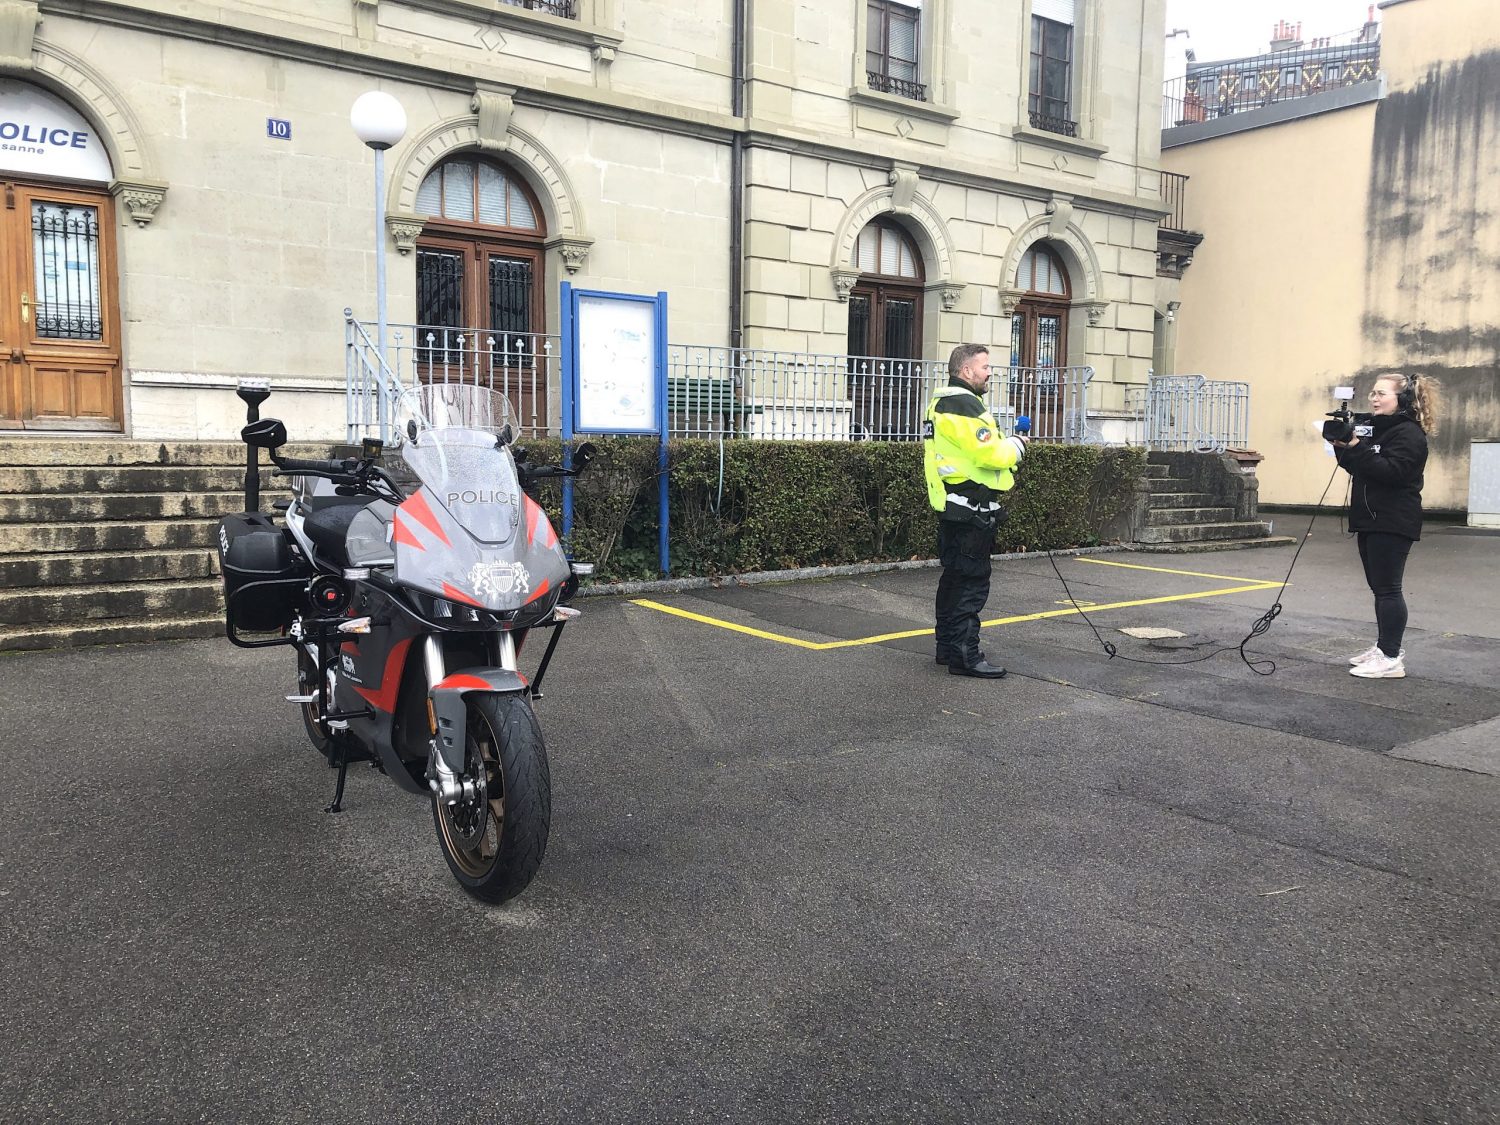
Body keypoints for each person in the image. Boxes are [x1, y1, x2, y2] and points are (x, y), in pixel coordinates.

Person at [922, 343, 1028, 679]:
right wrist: (1016, 446)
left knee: (953, 578)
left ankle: (948, 647)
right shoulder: (965, 404)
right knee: (971, 582)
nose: (989, 373)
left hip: (953, 506)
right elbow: (990, 455)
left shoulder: (940, 403)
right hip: (972, 511)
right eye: (985, 367)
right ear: (966, 371)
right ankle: (966, 656)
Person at [1332, 371, 1439, 679]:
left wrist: (1356, 446)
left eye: (1381, 394)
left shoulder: (1408, 435)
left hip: (1393, 519)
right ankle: (1383, 647)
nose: (1374, 399)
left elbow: (1392, 473)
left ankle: (1391, 657)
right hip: (1370, 517)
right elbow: (1357, 464)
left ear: (1402, 400)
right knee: (1380, 588)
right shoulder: (1378, 430)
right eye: (1373, 393)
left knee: (1389, 589)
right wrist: (1343, 445)